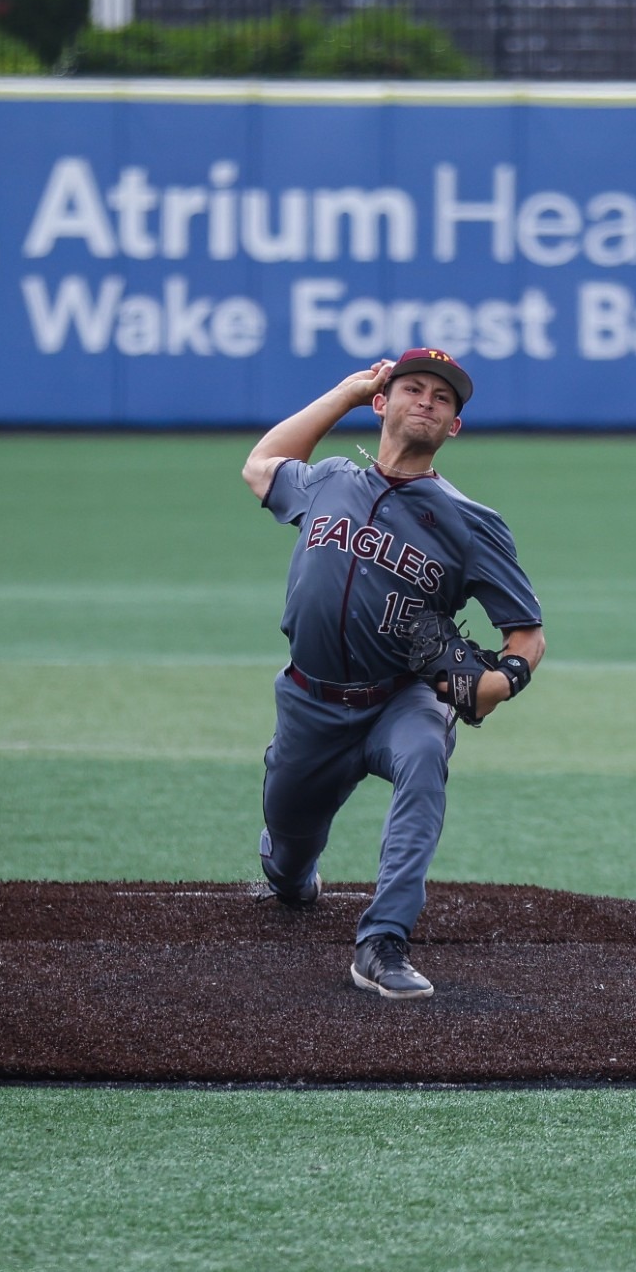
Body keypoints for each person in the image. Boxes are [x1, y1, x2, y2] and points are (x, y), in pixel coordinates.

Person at [241, 348, 546, 1000]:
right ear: (384, 403)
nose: (428, 402)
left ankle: (383, 941)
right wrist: (345, 392)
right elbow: (260, 466)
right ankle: (292, 868)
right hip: (310, 707)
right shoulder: (325, 480)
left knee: (425, 753)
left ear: (454, 426)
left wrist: (505, 677)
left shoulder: (471, 524)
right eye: (413, 388)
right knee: (288, 863)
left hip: (400, 699)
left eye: (444, 398)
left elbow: (526, 632)